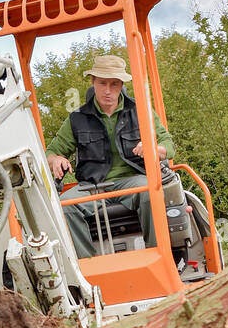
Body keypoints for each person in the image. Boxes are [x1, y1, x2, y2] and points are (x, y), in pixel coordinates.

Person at [45, 55, 175, 259]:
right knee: (63, 207)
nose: (108, 90)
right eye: (102, 83)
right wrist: (56, 159)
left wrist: (153, 148)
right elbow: (50, 153)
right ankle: (87, 270)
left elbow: (168, 144)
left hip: (132, 181)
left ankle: (159, 258)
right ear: (93, 82)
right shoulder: (76, 119)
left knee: (151, 193)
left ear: (122, 85)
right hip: (92, 186)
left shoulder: (141, 111)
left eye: (114, 84)